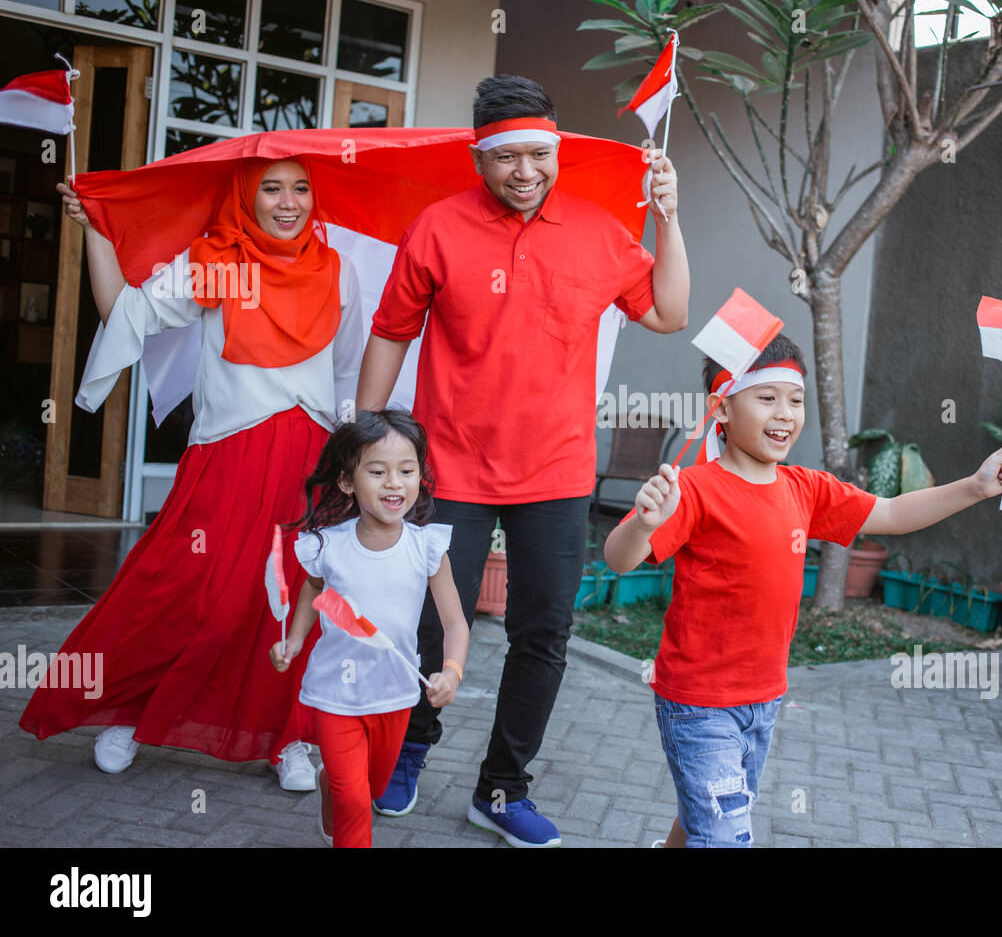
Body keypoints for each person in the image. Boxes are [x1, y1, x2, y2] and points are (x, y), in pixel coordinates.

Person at [354, 74, 689, 847]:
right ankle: (409, 749)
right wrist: (368, 438)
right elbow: (391, 331)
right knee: (437, 624)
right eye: (507, 158)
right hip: (452, 468)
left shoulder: (601, 232)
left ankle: (502, 790)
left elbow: (670, 313)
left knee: (544, 633)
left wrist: (668, 217)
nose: (525, 171)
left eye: (540, 154)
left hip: (557, 472)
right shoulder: (437, 228)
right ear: (480, 159)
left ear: (557, 152)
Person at [20, 159, 364, 792]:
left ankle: (286, 737)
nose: (288, 202)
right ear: (245, 194)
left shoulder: (339, 271)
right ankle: (125, 712)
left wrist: (354, 466)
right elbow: (122, 312)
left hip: (306, 464)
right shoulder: (215, 259)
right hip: (225, 457)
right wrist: (97, 230)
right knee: (181, 591)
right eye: (271, 188)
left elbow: (348, 376)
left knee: (288, 605)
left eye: (301, 187)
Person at [603, 334, 1002, 847]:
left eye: (795, 400)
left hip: (764, 701)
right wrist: (645, 524)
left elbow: (889, 513)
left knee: (712, 813)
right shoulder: (692, 489)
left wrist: (976, 486)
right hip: (699, 703)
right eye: (766, 398)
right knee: (724, 832)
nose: (785, 413)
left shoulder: (806, 488)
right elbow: (618, 559)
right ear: (722, 409)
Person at [270, 409, 470, 848]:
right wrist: (295, 640)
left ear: (420, 476)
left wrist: (451, 671)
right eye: (377, 471)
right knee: (356, 801)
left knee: (374, 788)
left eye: (406, 470)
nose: (394, 483)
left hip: (396, 693)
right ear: (347, 481)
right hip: (335, 693)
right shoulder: (329, 544)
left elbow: (455, 621)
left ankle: (330, 786)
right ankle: (340, 800)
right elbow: (312, 590)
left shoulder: (427, 548)